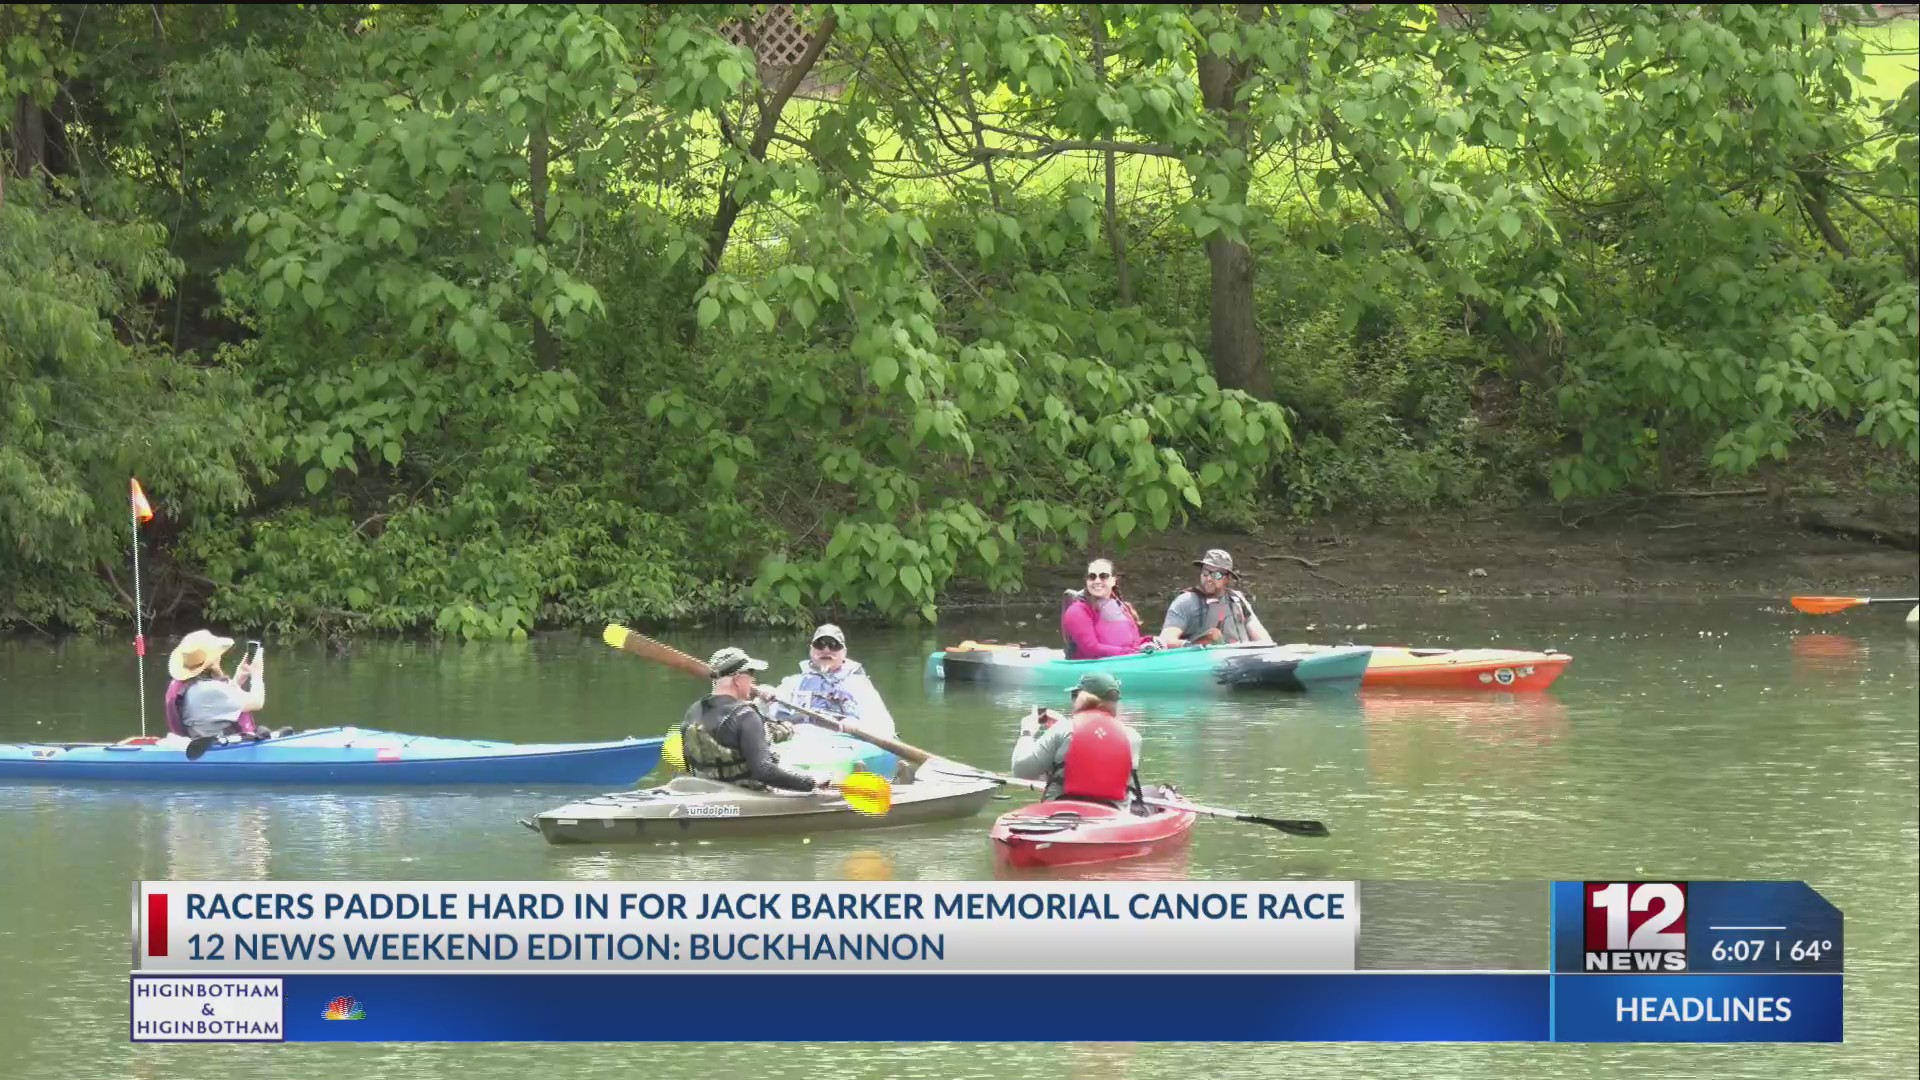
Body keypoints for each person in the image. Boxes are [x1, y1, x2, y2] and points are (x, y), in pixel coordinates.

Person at [680, 646, 839, 794]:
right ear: (737, 679)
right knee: (826, 777)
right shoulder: (745, 715)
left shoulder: (693, 711)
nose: (753, 681)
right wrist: (811, 782)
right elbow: (764, 771)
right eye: (751, 675)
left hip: (707, 793)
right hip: (749, 797)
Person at [1010, 672, 1145, 812]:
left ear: (1081, 697)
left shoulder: (1063, 729)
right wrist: (1063, 726)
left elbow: (1022, 770)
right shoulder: (1132, 736)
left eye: (1074, 695)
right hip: (1112, 815)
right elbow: (1096, 757)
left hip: (1059, 812)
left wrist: (1027, 732)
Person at [770, 624, 897, 739]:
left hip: (841, 741)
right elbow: (770, 715)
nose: (826, 650)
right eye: (820, 644)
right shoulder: (793, 683)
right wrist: (766, 698)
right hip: (798, 738)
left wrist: (858, 725)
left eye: (833, 645)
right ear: (811, 650)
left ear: (844, 653)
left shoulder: (859, 685)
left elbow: (884, 726)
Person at [164, 630, 269, 741]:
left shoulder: (190, 686)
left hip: (200, 743)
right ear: (212, 661)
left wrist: (239, 676)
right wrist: (257, 674)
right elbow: (257, 702)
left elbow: (220, 702)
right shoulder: (209, 690)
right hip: (222, 750)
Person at [1157, 548, 1272, 647]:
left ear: (1227, 578)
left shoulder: (1237, 599)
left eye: (1216, 575)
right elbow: (1166, 640)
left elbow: (1263, 638)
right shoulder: (1185, 602)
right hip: (1204, 662)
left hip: (1239, 661)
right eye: (1205, 572)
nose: (1208, 579)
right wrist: (1190, 645)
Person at [1060, 559, 1160, 659]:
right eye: (1092, 577)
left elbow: (1133, 644)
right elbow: (1091, 649)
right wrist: (1132, 653)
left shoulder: (1124, 607)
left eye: (1103, 576)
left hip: (1126, 660)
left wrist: (1149, 642)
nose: (1097, 581)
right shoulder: (1077, 611)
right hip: (1092, 667)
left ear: (1114, 580)